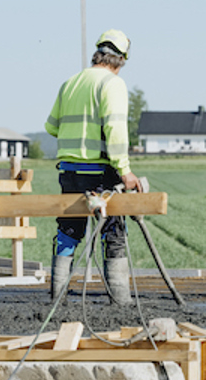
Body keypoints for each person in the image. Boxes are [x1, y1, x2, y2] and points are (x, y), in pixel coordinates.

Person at [45, 29, 140, 305]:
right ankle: (120, 300)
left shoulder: (70, 83)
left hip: (69, 172)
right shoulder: (112, 84)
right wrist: (125, 170)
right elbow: (115, 130)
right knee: (112, 231)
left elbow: (51, 127)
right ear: (120, 60)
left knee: (68, 231)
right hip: (100, 173)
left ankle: (58, 297)